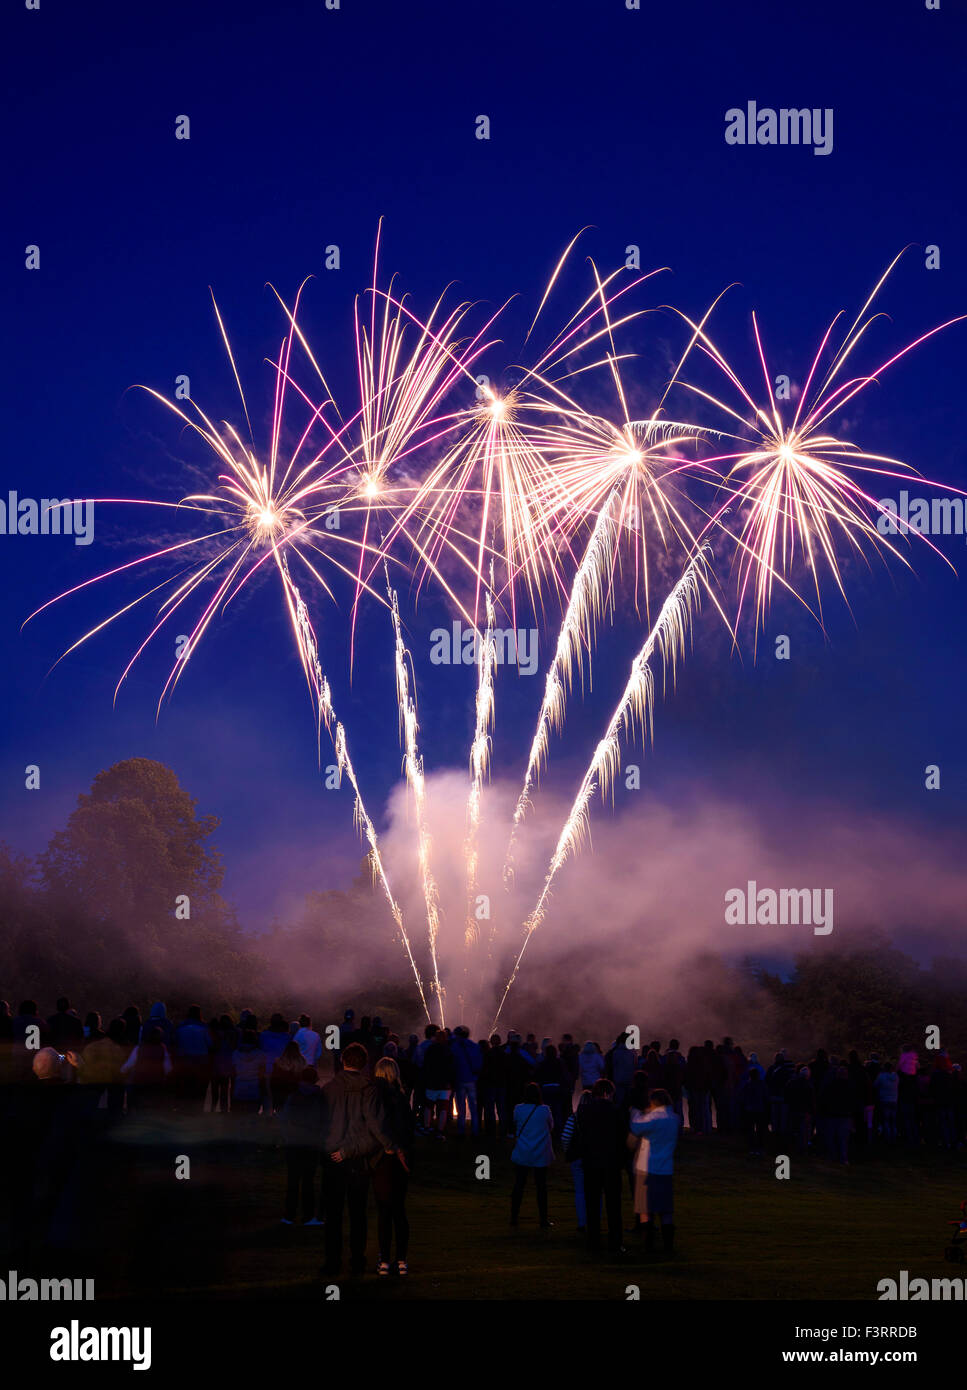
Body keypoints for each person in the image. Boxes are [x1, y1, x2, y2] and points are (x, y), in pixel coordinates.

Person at [319, 1041, 397, 1278]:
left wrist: (332, 1150)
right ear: (364, 1064)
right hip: (358, 1160)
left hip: (333, 1158)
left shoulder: (329, 1088)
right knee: (357, 1214)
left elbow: (319, 1126)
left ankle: (332, 1263)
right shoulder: (368, 1089)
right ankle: (357, 1262)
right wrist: (390, 1146)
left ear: (343, 1060)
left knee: (333, 1215)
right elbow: (375, 1127)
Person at [573, 1078, 625, 1254]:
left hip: (591, 1162)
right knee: (614, 1205)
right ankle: (615, 1241)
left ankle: (593, 1240)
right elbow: (622, 1138)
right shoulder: (616, 1111)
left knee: (592, 1204)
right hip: (611, 1162)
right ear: (608, 1093)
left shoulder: (584, 1111)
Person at [372, 1056, 415, 1275]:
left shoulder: (375, 1099)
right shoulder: (400, 1098)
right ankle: (401, 1259)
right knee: (399, 1211)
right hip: (399, 1159)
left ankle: (385, 1260)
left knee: (384, 1212)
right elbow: (408, 1132)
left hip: (382, 1159)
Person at [629, 1087, 681, 1253]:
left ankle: (648, 1245)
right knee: (666, 1210)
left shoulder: (653, 1118)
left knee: (645, 1209)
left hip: (647, 1168)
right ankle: (668, 1246)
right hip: (665, 1169)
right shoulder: (674, 1119)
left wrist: (635, 1112)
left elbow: (636, 1127)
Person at [279, 1067, 325, 1226]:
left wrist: (287, 1138)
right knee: (308, 1182)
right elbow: (323, 1121)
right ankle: (308, 1216)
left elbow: (284, 1120)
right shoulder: (319, 1098)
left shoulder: (293, 1097)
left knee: (293, 1181)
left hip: (294, 1144)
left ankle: (289, 1215)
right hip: (311, 1144)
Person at [509, 1081, 554, 1228]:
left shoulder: (518, 1109)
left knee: (519, 1185)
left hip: (523, 1151)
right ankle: (543, 1219)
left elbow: (515, 1123)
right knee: (541, 1187)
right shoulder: (545, 1110)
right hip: (541, 1152)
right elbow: (551, 1126)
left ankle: (514, 1217)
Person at [561, 1090, 596, 1231]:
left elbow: (565, 1137)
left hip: (577, 1157)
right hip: (594, 1158)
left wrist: (567, 1150)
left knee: (580, 1192)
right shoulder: (597, 1118)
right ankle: (595, 1221)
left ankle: (582, 1222)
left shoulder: (574, 1117)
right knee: (595, 1192)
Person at [172, 1005, 213, 1108]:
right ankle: (198, 1108)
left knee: (186, 1085)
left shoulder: (181, 1027)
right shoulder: (204, 1027)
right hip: (201, 1060)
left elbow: (175, 1042)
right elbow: (210, 1043)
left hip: (184, 1059)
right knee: (200, 1087)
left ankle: (185, 1108)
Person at [422, 1029, 456, 1137]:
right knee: (443, 1109)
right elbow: (452, 1068)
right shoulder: (448, 1050)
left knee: (429, 1106)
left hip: (432, 1083)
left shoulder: (431, 1049)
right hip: (445, 1085)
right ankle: (440, 1131)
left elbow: (426, 1066)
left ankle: (427, 1127)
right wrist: (451, 1082)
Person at [451, 1026, 482, 1136]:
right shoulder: (474, 1046)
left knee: (461, 1108)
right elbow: (479, 1063)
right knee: (474, 1108)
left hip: (460, 1080)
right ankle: (475, 1131)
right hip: (472, 1080)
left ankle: (461, 1131)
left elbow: (453, 1064)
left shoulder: (454, 1047)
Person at [231, 1028, 267, 1119]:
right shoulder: (261, 1054)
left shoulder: (235, 1053)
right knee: (253, 1116)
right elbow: (262, 1073)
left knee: (239, 1118)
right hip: (254, 1087)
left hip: (239, 1086)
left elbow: (233, 1072)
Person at [272, 1041, 306, 1115]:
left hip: (281, 1092)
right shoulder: (302, 1061)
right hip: (296, 1091)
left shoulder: (278, 1062)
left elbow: (274, 1080)